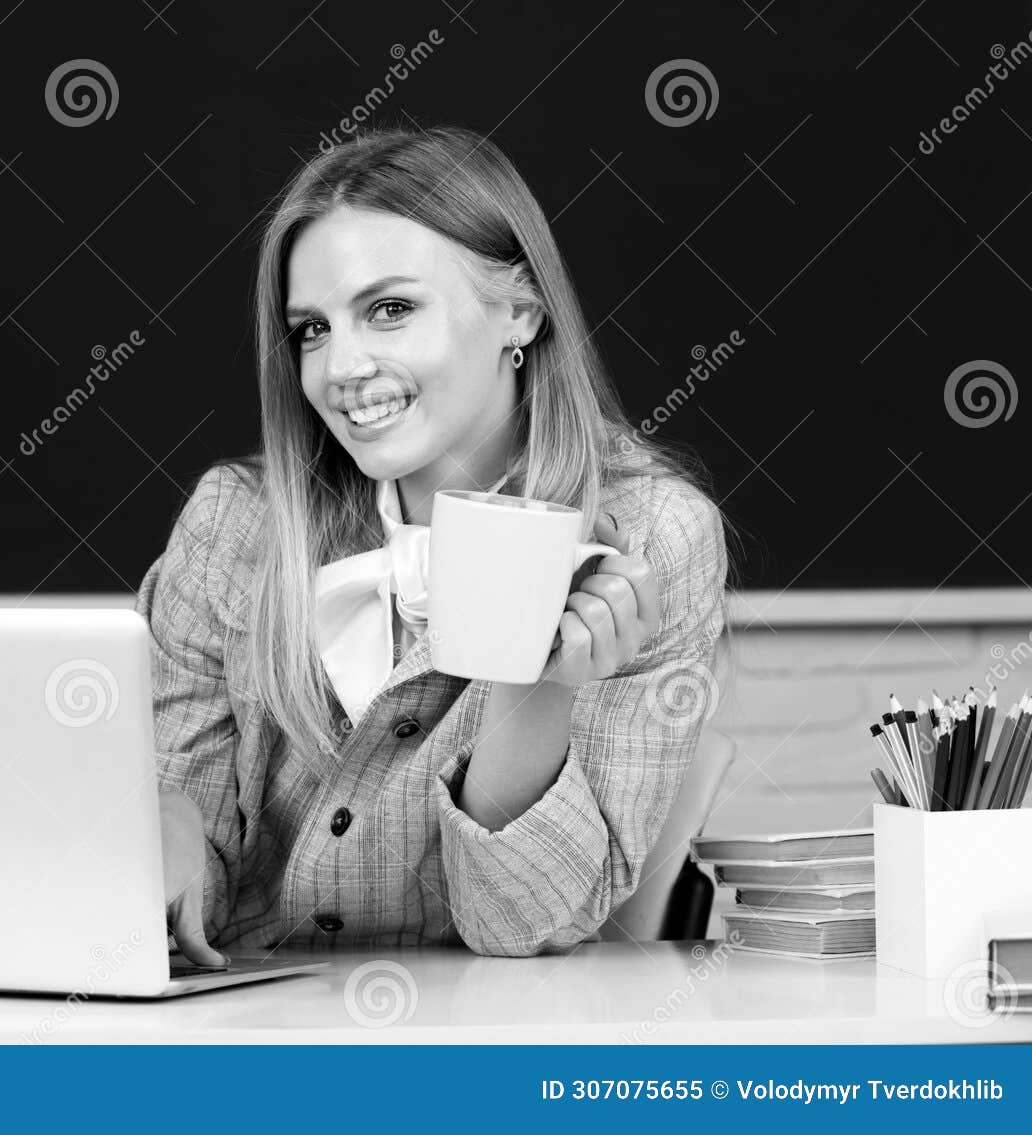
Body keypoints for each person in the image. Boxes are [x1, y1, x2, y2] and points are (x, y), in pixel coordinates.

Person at [138, 125, 728, 963]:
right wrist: (165, 835)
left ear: (520, 310)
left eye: (390, 310)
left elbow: (522, 925)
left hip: (482, 1028)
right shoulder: (233, 524)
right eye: (312, 329)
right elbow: (186, 884)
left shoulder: (654, 538)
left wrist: (537, 685)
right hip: (243, 1019)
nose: (341, 368)